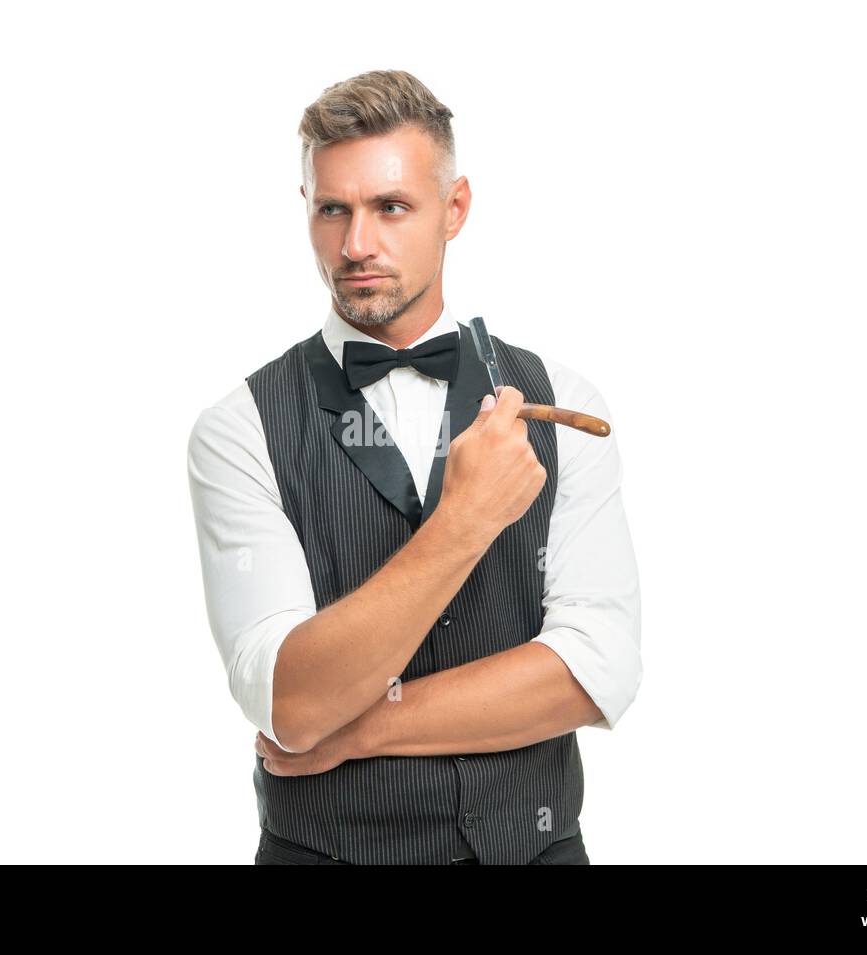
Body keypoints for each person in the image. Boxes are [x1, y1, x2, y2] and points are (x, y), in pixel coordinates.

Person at [187, 69, 642, 864]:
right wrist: (465, 520)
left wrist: (358, 725)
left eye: (391, 207)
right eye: (334, 209)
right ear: (307, 210)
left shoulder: (563, 401)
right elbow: (290, 700)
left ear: (454, 209)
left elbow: (594, 671)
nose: (356, 244)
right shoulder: (238, 430)